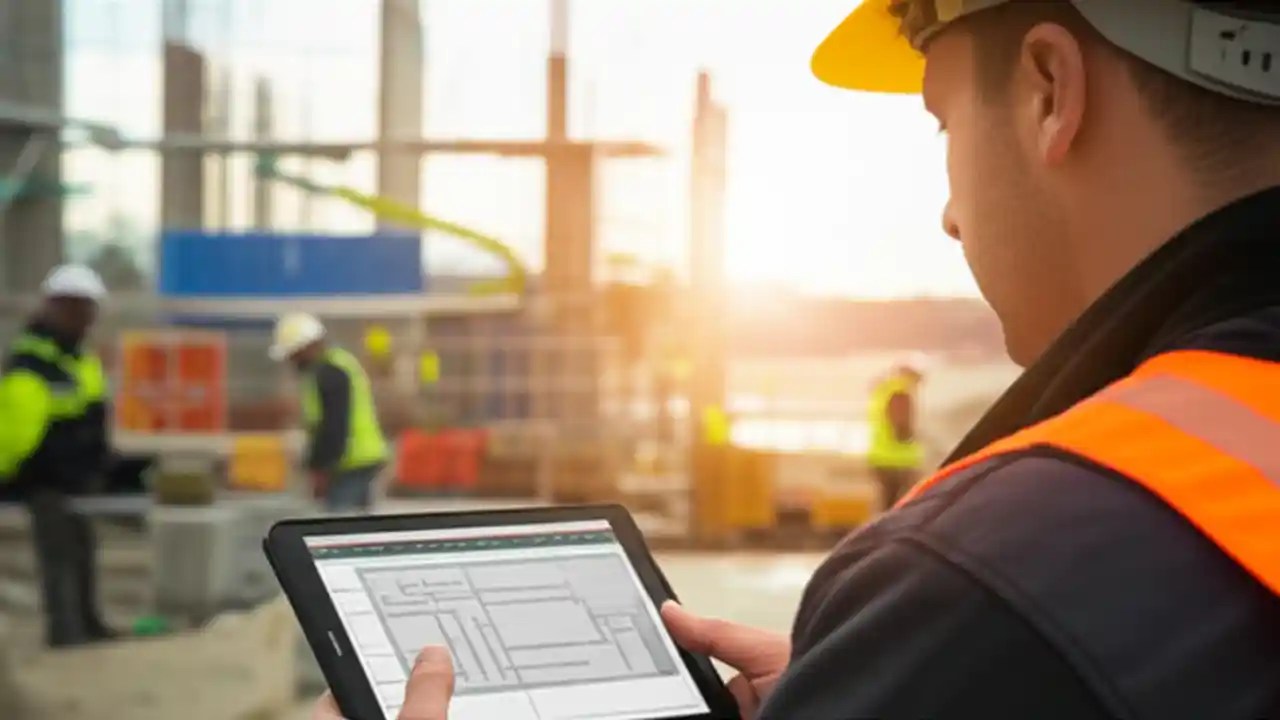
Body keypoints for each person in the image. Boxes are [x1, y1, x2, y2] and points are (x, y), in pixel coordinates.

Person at [320, 0, 1280, 716]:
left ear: (1048, 91)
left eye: (942, 122)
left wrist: (933, 649)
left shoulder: (1001, 579)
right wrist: (880, 682)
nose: (949, 215)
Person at [0, 264, 116, 647]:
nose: (84, 319)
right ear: (55, 308)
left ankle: (87, 622)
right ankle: (66, 630)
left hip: (77, 476)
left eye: (88, 310)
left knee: (81, 550)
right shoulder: (34, 363)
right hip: (48, 479)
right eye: (76, 309)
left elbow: (91, 411)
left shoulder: (77, 358)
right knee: (60, 555)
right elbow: (16, 431)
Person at [271, 313, 388, 513]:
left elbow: (334, 425)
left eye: (293, 354)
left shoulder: (330, 372)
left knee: (338, 523)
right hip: (358, 460)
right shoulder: (335, 364)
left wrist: (320, 469)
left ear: (306, 347)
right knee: (356, 523)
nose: (292, 361)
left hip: (349, 464)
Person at [865, 354, 926, 505]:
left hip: (881, 457)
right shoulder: (900, 393)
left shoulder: (882, 391)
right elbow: (901, 427)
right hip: (899, 461)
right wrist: (913, 438)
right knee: (908, 504)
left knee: (888, 504)